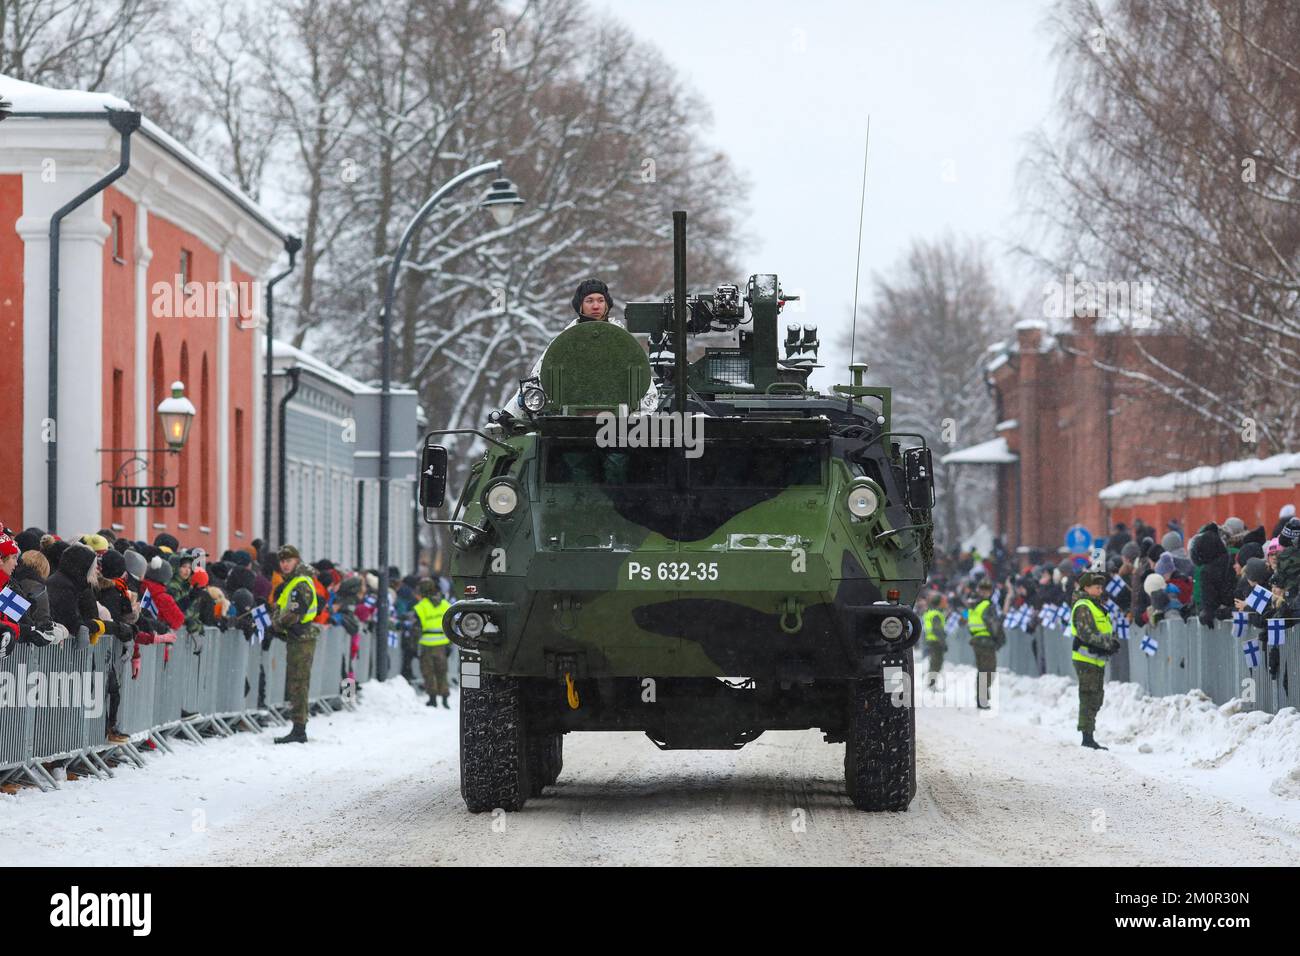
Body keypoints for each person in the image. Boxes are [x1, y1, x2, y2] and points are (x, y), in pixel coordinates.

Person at [269, 545, 319, 744]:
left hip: (301, 639)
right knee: (296, 682)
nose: (284, 565)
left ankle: (299, 729)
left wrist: (277, 625)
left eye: (288, 561)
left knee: (298, 683)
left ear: (296, 560)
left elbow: (294, 613)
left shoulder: (300, 583)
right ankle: (298, 727)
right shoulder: (293, 582)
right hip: (297, 638)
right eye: (282, 561)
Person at [1070, 571, 1121, 750]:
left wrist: (1110, 643)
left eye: (1101, 587)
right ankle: (1087, 737)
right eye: (1097, 587)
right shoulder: (1084, 606)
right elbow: (1086, 633)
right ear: (1086, 587)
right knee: (1089, 696)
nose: (1100, 590)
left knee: (1095, 697)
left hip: (1095, 658)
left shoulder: (1095, 605)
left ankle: (1089, 734)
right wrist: (1108, 643)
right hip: (1086, 658)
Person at [413, 579, 452, 707]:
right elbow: (452, 624)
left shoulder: (421, 607)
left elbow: (416, 627)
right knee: (442, 671)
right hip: (442, 644)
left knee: (428, 672)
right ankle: (445, 699)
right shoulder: (445, 605)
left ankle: (432, 699)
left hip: (427, 645)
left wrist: (413, 644)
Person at [966, 578, 1003, 708]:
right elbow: (993, 624)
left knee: (982, 670)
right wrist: (999, 639)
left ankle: (981, 698)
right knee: (989, 671)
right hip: (986, 641)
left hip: (976, 640)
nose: (985, 592)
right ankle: (982, 699)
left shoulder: (973, 604)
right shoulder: (987, 605)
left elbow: (969, 622)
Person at [919, 592, 947, 689]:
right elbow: (937, 630)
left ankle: (931, 682)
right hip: (936, 642)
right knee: (936, 663)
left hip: (930, 640)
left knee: (933, 662)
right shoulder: (936, 614)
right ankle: (931, 683)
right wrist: (943, 643)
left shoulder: (929, 613)